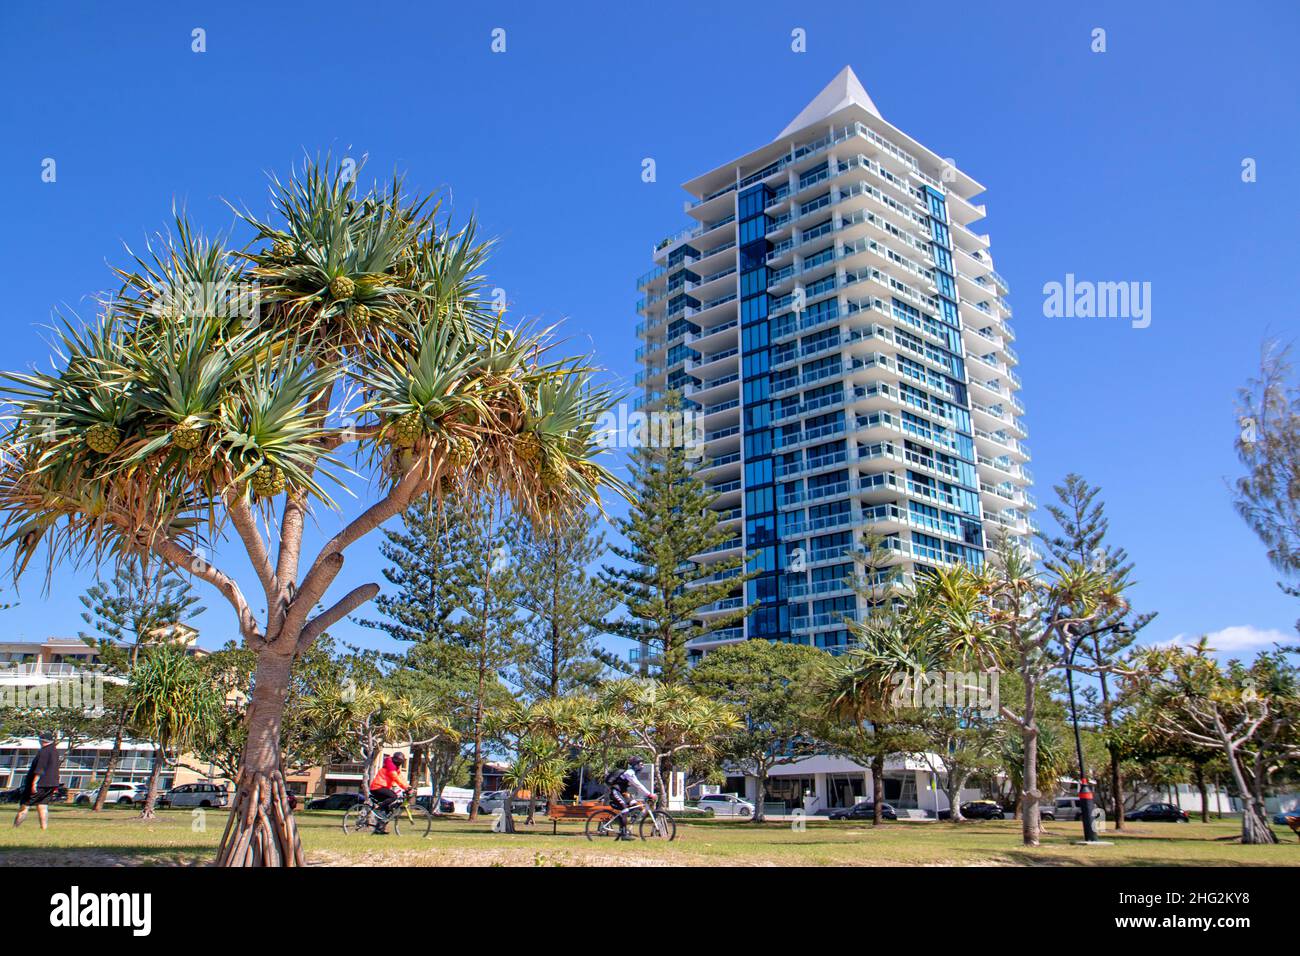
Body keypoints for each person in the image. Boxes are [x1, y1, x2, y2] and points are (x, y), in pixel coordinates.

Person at [14, 732, 61, 831]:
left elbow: (40, 768)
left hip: (39, 784)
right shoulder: (55, 751)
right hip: (51, 784)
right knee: (42, 806)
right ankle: (44, 828)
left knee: (24, 807)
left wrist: (34, 783)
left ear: (43, 741)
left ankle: (15, 828)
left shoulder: (43, 752)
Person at [605, 755, 654, 841]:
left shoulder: (632, 773)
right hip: (616, 792)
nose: (642, 766)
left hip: (624, 794)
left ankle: (632, 817)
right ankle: (624, 835)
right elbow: (638, 785)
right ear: (635, 765)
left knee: (636, 805)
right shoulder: (629, 773)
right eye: (641, 764)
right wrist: (649, 794)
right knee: (625, 810)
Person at [368, 752, 410, 834]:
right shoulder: (390, 766)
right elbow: (395, 777)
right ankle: (378, 809)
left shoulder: (395, 767)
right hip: (377, 787)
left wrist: (409, 786)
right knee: (393, 797)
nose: (400, 763)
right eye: (400, 761)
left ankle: (379, 828)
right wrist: (405, 787)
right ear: (396, 760)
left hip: (383, 788)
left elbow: (400, 777)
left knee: (388, 810)